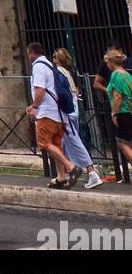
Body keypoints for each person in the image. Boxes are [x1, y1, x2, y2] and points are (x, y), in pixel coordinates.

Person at [52, 48, 104, 190]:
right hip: (72, 107)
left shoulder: (58, 72)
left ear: (57, 59)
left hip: (66, 110)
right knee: (64, 143)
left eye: (54, 58)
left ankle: (91, 172)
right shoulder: (69, 72)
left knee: (73, 141)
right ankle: (65, 174)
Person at [26, 41, 75, 189]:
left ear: (32, 53)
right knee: (55, 145)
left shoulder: (38, 67)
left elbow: (40, 90)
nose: (28, 56)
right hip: (59, 114)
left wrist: (34, 106)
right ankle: (61, 178)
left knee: (44, 143)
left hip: (47, 112)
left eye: (28, 53)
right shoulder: (50, 66)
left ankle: (71, 167)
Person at [103, 49, 132, 178]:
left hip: (123, 112)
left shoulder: (115, 75)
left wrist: (114, 112)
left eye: (107, 62)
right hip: (130, 110)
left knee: (121, 142)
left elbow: (117, 96)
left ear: (111, 61)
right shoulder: (127, 74)